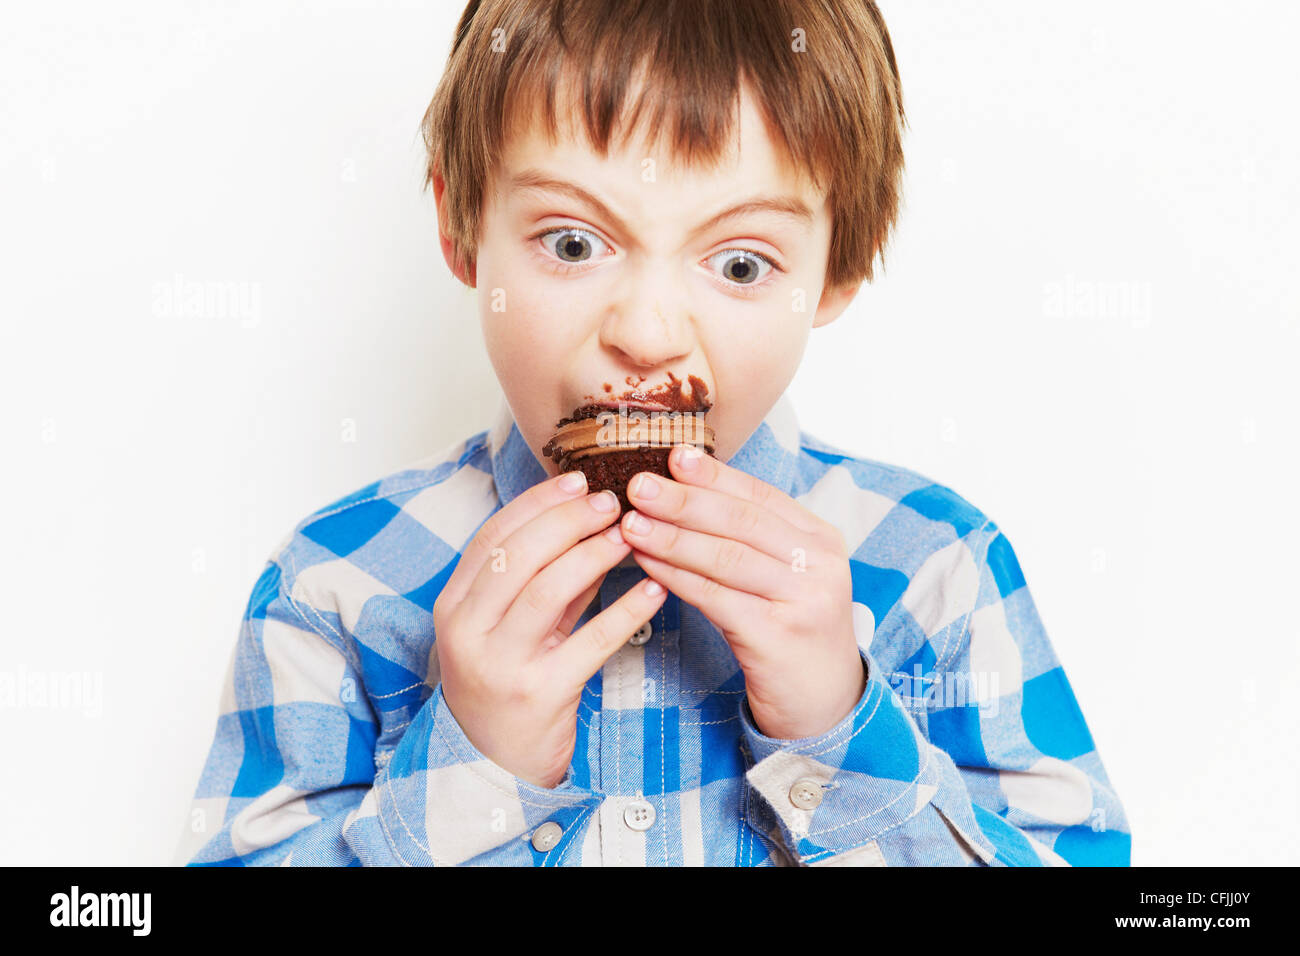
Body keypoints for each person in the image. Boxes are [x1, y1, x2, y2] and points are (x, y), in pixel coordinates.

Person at [175, 0, 1130, 866]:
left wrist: (841, 729)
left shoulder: (937, 573)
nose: (646, 332)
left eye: (743, 263)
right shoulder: (333, 592)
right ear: (463, 225)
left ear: (836, 274)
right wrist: (476, 776)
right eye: (574, 244)